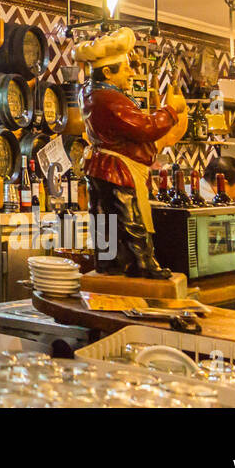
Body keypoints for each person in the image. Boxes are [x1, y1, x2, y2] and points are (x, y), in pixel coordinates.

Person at [76, 27, 189, 279]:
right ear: (107, 72)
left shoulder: (89, 93)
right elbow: (144, 127)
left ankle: (110, 264)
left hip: (98, 166)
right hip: (117, 170)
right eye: (125, 68)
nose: (131, 72)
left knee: (104, 219)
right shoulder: (108, 98)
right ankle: (143, 265)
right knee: (130, 219)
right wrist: (170, 110)